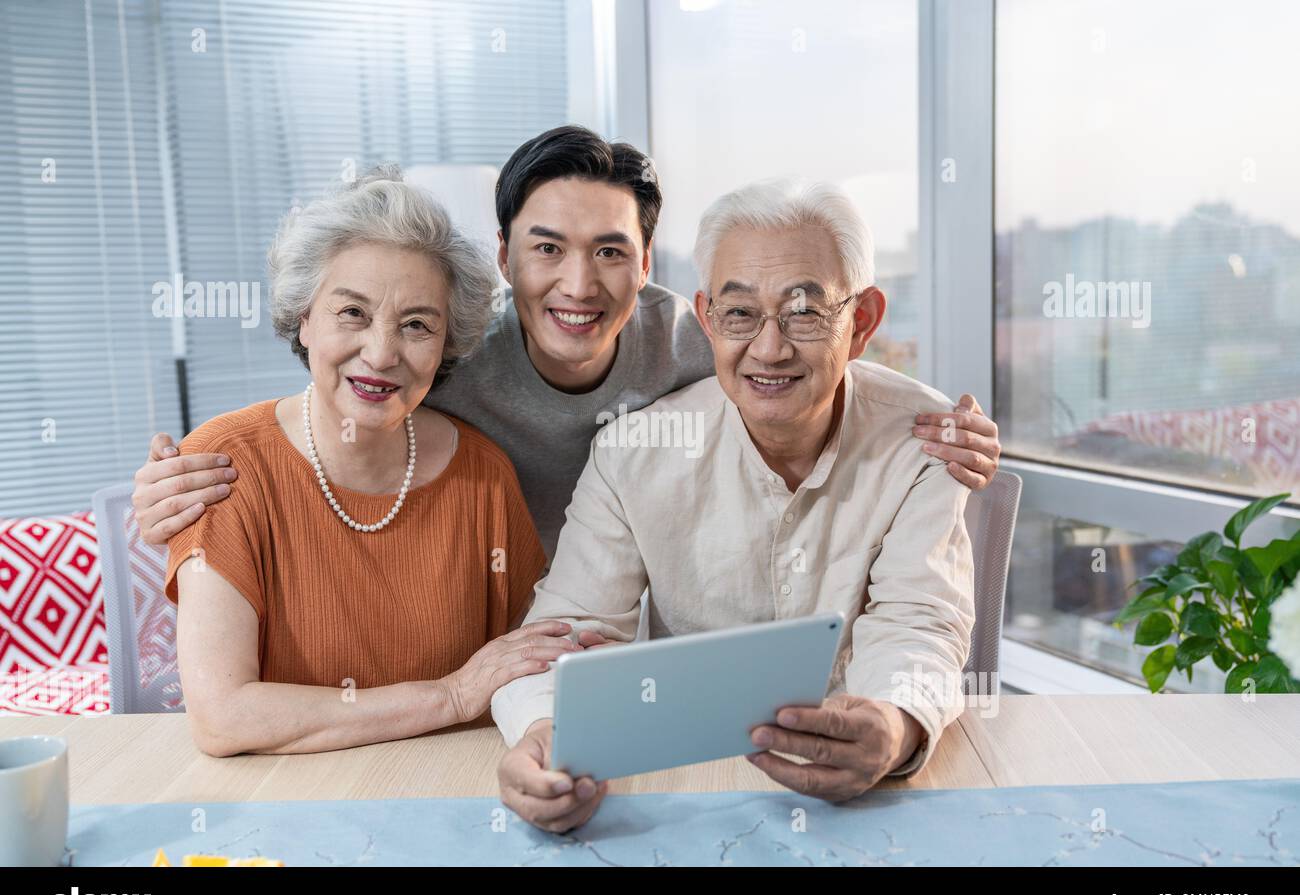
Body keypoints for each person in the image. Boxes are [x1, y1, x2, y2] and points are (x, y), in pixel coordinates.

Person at [131, 127, 1002, 562]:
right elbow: (334, 381)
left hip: (641, 617)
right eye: (547, 248)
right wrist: (193, 474)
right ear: (503, 252)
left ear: (649, 263)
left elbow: (819, 364)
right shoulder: (448, 351)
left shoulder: (706, 341)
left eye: (611, 252)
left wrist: (942, 423)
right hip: (483, 624)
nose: (579, 286)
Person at [495, 180, 976, 832]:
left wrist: (895, 723)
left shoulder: (927, 438)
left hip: (864, 798)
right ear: (706, 317)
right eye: (740, 314)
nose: (770, 348)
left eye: (804, 311)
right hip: (681, 790)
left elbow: (919, 621)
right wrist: (545, 736)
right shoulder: (634, 451)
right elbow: (562, 637)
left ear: (861, 321)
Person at [165, 167, 599, 757]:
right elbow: (224, 716)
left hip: (452, 789)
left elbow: (523, 667)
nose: (381, 352)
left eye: (417, 324)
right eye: (352, 313)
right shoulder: (225, 467)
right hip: (285, 802)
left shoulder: (482, 474)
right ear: (304, 317)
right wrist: (449, 696)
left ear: (448, 344)